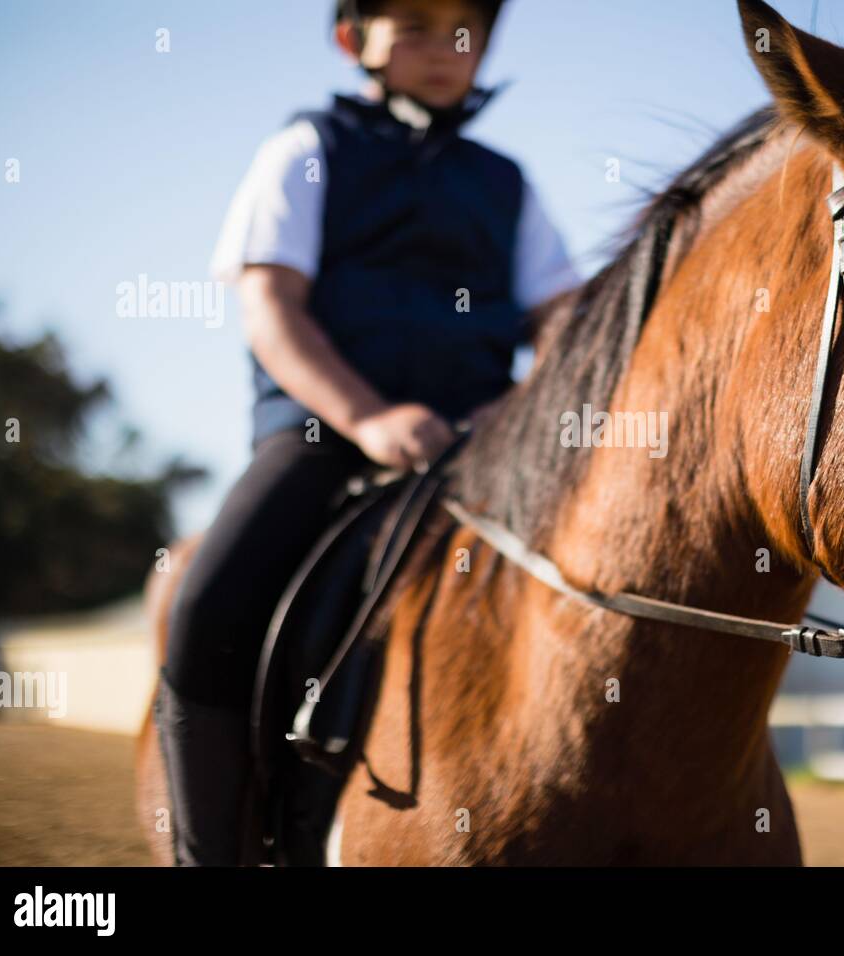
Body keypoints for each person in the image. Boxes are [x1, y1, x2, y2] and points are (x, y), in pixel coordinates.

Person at [154, 0, 578, 866]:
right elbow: (270, 307)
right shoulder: (308, 149)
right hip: (322, 435)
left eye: (464, 29)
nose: (442, 48)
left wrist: (516, 411)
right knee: (205, 608)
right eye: (414, 25)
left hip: (484, 445)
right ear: (355, 41)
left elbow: (568, 318)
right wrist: (368, 418)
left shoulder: (508, 181)